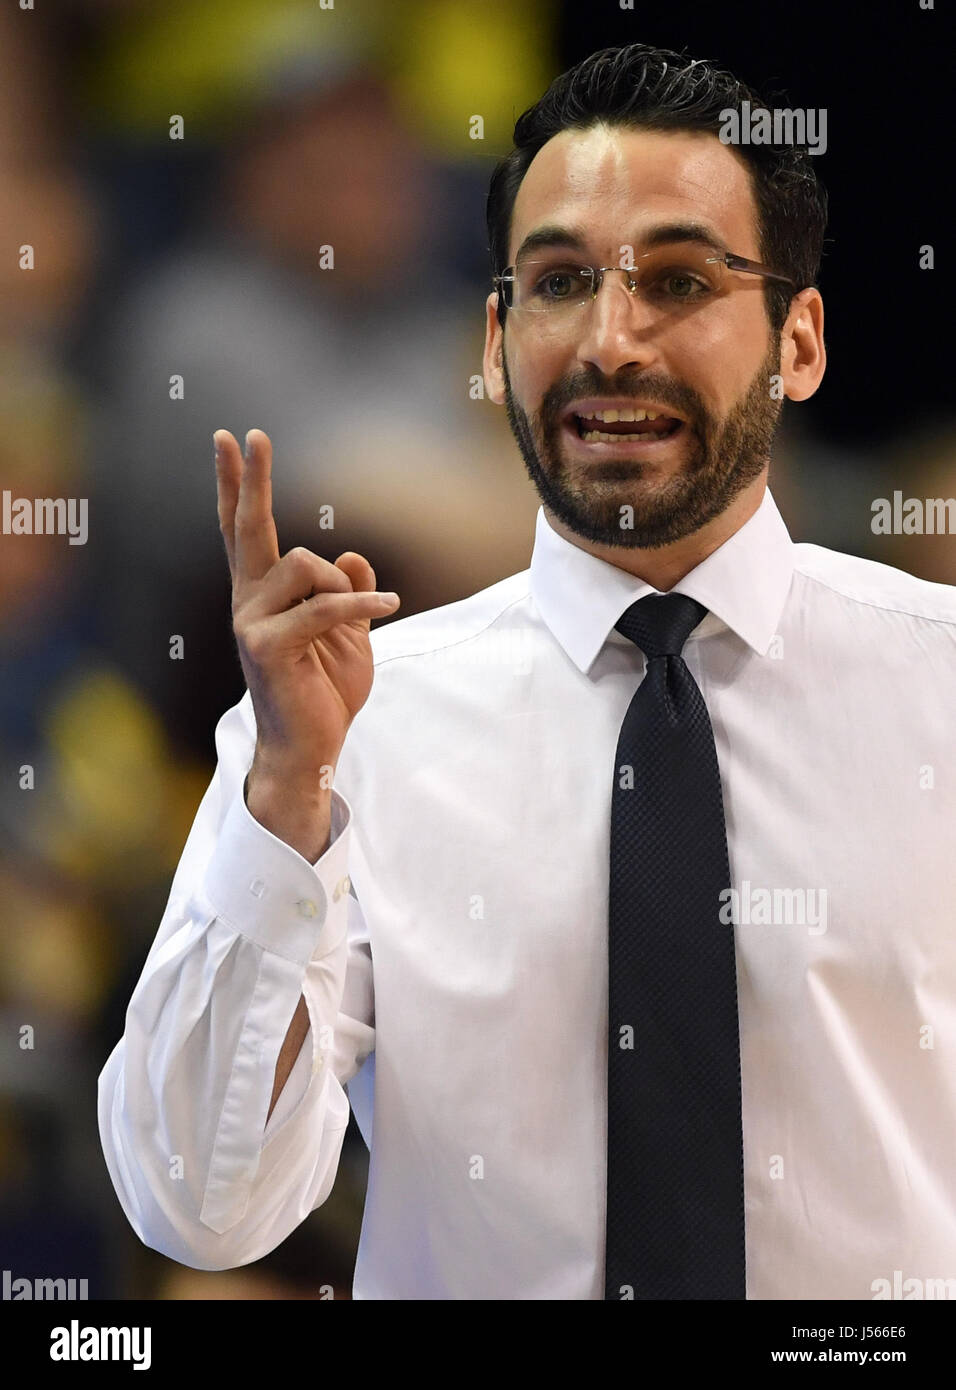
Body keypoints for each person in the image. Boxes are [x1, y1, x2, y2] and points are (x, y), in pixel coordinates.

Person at [97, 43, 956, 1300]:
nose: (610, 341)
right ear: (496, 344)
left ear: (801, 342)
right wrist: (286, 798)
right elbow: (195, 1206)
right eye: (559, 283)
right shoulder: (343, 733)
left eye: (677, 280)